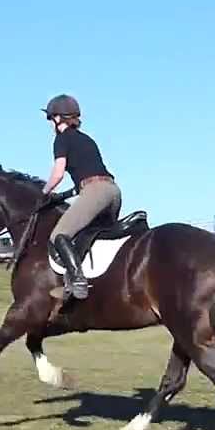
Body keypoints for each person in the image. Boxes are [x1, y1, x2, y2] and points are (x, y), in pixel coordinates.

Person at [40, 94, 121, 299]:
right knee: (87, 235)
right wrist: (64, 195)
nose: (50, 124)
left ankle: (78, 280)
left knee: (59, 235)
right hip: (113, 192)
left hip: (95, 192)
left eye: (50, 119)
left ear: (57, 119)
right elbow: (88, 175)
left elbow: (58, 174)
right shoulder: (87, 139)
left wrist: (44, 192)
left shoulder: (61, 139)